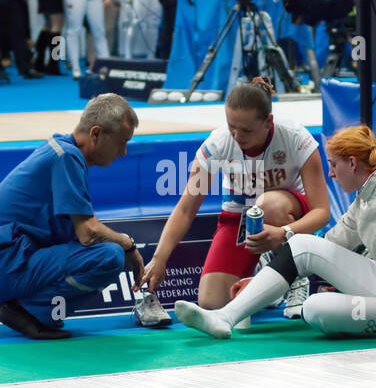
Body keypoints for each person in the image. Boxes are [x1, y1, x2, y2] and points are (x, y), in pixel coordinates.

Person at [175, 125, 376, 345]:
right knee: (300, 243)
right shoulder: (365, 199)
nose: (331, 173)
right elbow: (320, 248)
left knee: (314, 308)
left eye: (334, 164)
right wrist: (263, 283)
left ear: (352, 163)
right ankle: (224, 317)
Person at [142, 77, 331, 315]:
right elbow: (186, 209)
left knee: (267, 205)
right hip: (238, 221)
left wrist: (284, 233)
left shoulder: (296, 138)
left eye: (246, 130)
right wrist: (159, 258)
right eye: (231, 126)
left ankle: (294, 276)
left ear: (268, 121)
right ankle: (267, 278)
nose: (237, 136)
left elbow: (322, 212)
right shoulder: (217, 144)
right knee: (212, 301)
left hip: (287, 217)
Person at [0, 94, 150, 340]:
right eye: (121, 142)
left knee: (103, 250)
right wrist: (128, 244)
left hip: (1, 260)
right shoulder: (68, 157)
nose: (124, 152)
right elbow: (89, 233)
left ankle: (28, 309)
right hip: (3, 263)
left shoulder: (61, 150)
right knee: (109, 257)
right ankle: (27, 311)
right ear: (96, 134)